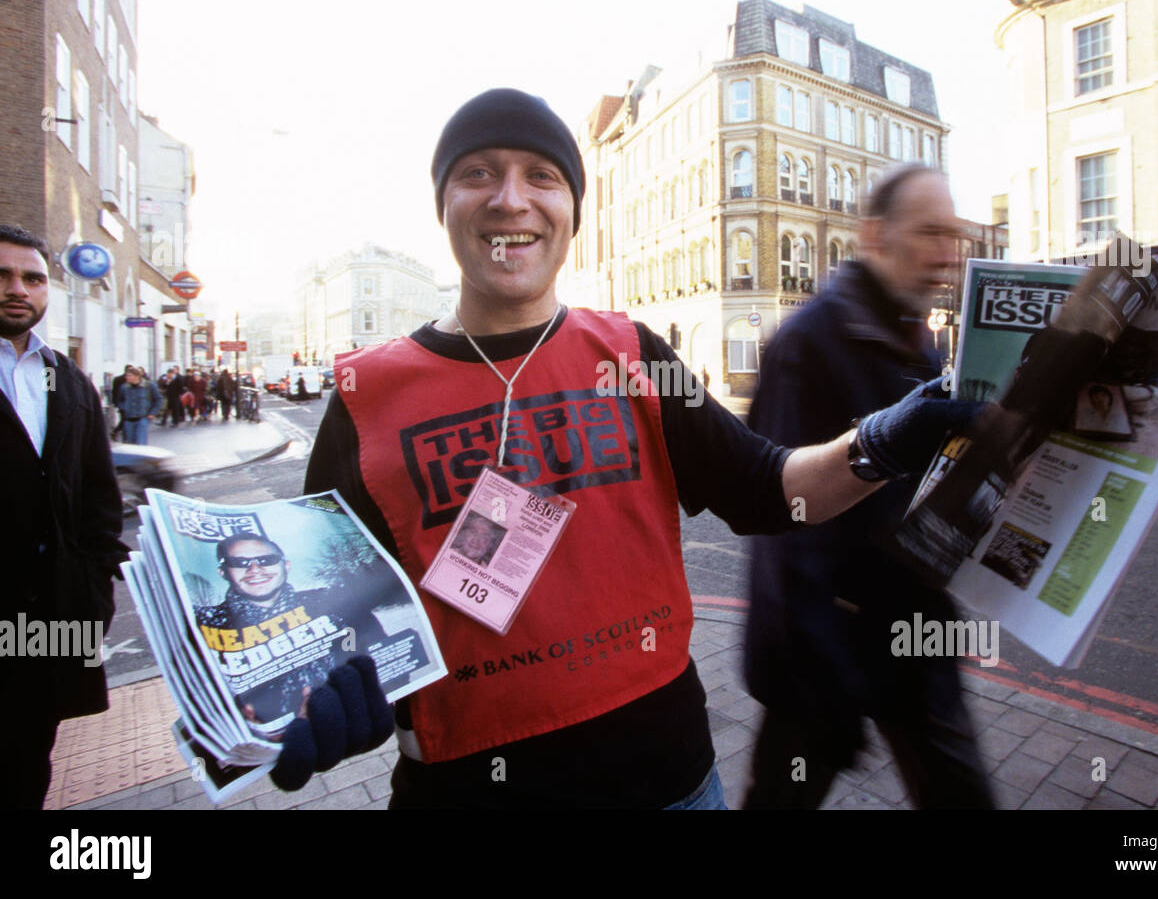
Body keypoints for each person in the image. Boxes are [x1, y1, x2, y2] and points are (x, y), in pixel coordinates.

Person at [298, 90, 980, 809]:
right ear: (443, 205)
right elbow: (318, 617)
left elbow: (768, 487)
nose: (510, 199)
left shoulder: (631, 354)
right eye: (477, 173)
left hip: (668, 784)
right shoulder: (363, 397)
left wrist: (883, 439)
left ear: (572, 213)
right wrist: (309, 706)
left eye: (542, 176)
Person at [742, 163, 996, 809]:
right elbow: (781, 513)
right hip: (821, 646)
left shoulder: (922, 343)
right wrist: (823, 669)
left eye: (956, 236)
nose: (948, 254)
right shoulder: (806, 342)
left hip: (913, 631)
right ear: (876, 236)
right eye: (931, 233)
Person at [0, 224, 127, 809]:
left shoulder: (67, 380)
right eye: (3, 275)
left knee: (29, 761)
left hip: (51, 620)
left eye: (32, 278)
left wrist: (94, 591)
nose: (17, 289)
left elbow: (99, 498)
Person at [196, 533, 383, 727]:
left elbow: (376, 650)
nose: (255, 569)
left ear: (286, 565)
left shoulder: (330, 600)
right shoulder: (206, 624)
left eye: (266, 560)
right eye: (240, 562)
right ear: (223, 572)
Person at [115, 366, 163, 444]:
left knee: (140, 443)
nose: (126, 377)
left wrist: (153, 412)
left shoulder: (149, 386)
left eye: (129, 375)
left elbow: (158, 399)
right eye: (126, 375)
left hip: (142, 418)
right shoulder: (124, 387)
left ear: (137, 376)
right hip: (128, 419)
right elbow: (119, 400)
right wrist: (123, 408)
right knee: (130, 444)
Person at [109, 364, 131, 440]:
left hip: (121, 403)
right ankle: (116, 431)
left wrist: (115, 402)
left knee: (124, 420)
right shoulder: (121, 380)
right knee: (125, 420)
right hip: (124, 403)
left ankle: (117, 432)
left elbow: (114, 392)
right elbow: (115, 391)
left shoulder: (117, 379)